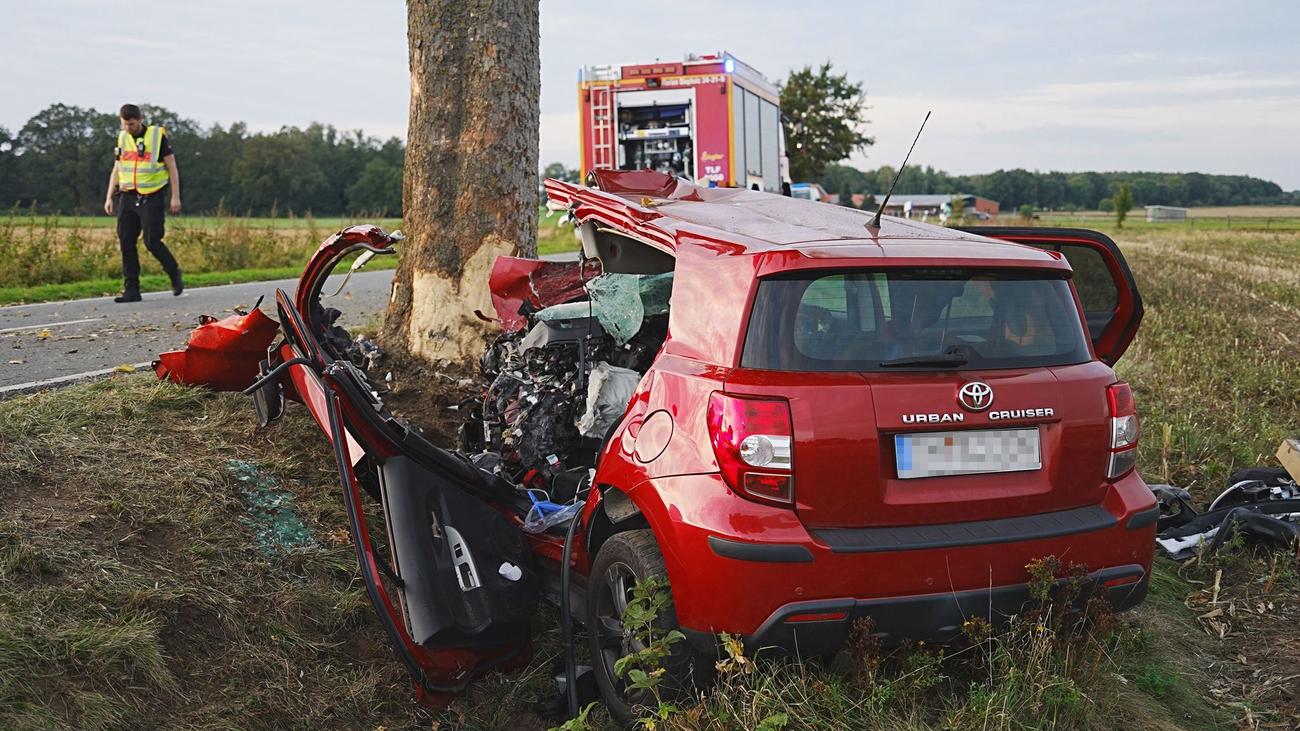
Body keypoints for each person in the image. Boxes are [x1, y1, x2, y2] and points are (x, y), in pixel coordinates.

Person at [102, 103, 183, 302]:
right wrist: (109, 196)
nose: (128, 128)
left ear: (139, 120)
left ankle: (174, 273)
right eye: (124, 124)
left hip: (152, 195)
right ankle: (131, 289)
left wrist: (175, 196)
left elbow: (172, 166)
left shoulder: (156, 137)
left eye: (131, 124)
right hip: (127, 195)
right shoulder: (122, 138)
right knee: (126, 241)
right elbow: (117, 168)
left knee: (151, 241)